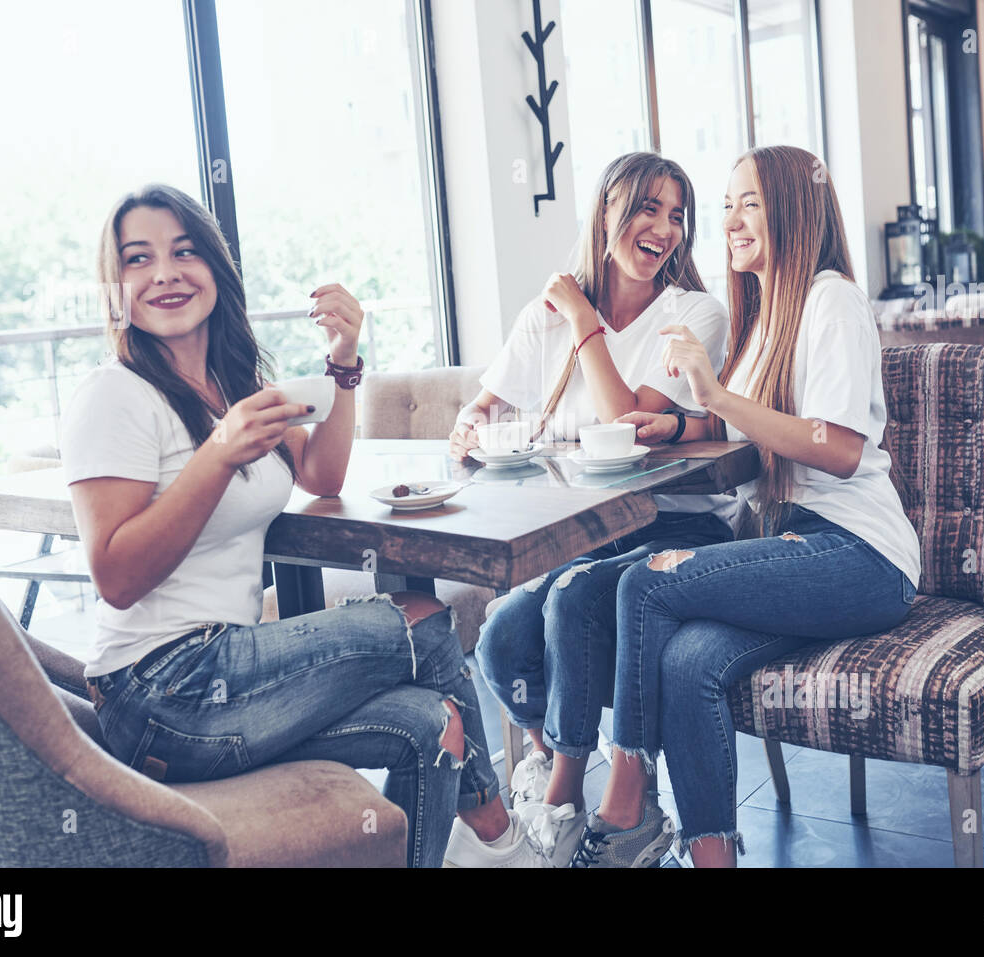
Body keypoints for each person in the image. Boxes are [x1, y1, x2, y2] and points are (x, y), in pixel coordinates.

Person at [62, 184, 543, 868]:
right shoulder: (113, 394)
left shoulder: (232, 385)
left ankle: (478, 846)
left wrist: (344, 362)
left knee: (436, 725)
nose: (164, 272)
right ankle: (503, 843)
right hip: (160, 690)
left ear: (216, 270)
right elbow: (114, 575)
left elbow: (320, 473)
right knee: (426, 621)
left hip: (223, 667)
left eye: (184, 251)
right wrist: (219, 453)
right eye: (138, 259)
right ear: (116, 287)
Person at [570, 145, 922, 868]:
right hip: (793, 550)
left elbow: (842, 447)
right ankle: (713, 858)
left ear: (795, 208)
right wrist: (679, 422)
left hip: (860, 555)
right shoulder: (762, 319)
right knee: (686, 659)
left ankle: (626, 802)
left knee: (646, 580)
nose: (729, 220)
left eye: (750, 203)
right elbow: (735, 428)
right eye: (726, 205)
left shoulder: (832, 299)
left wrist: (717, 397)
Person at [451, 153, 734, 867]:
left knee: (572, 603)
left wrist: (583, 320)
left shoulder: (694, 313)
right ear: (609, 208)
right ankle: (553, 766)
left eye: (677, 216)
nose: (664, 228)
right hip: (580, 529)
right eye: (649, 208)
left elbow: (625, 418)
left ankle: (563, 805)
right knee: (501, 636)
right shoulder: (542, 315)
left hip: (672, 523)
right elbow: (492, 402)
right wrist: (470, 421)